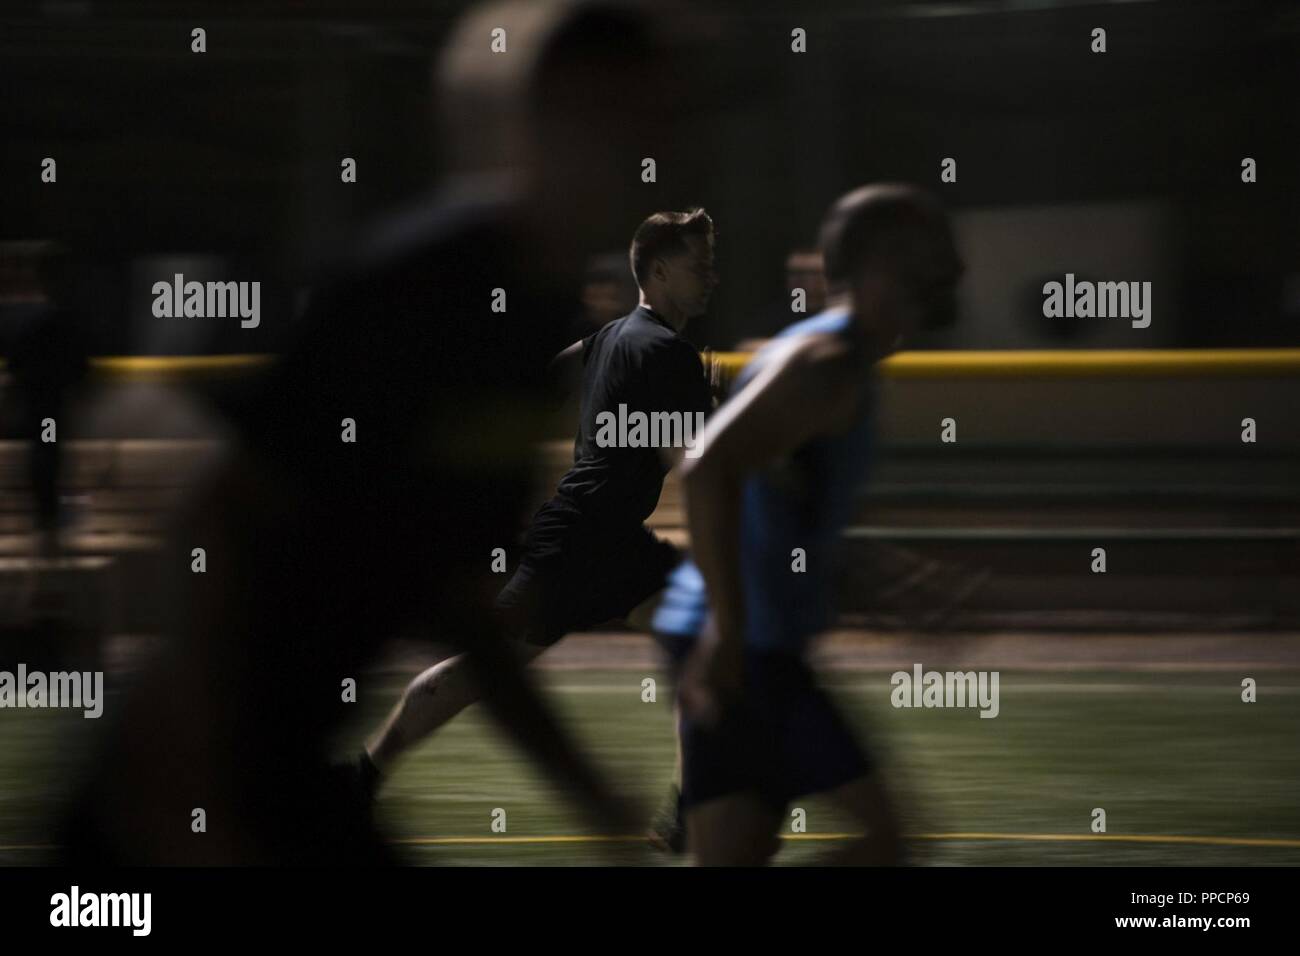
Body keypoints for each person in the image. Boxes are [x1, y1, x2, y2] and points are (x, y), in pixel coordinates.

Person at [59, 0, 675, 865]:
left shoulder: (537, 309)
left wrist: (586, 790)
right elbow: (217, 512)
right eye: (620, 116)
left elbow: (458, 597)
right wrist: (184, 785)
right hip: (183, 786)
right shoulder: (420, 280)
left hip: (278, 771)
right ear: (546, 117)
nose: (645, 146)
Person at [358, 210, 717, 816]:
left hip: (602, 536)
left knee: (697, 637)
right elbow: (694, 461)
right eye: (698, 265)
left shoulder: (613, 336)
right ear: (658, 271)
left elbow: (549, 374)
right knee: (482, 670)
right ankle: (363, 773)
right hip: (581, 541)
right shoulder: (669, 353)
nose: (711, 277)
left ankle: (689, 804)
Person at [652, 183, 964, 865]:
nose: (946, 268)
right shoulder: (827, 363)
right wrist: (728, 633)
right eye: (929, 252)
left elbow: (773, 504)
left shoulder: (841, 360)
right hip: (749, 656)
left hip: (749, 646)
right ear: (884, 263)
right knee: (887, 846)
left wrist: (870, 577)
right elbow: (707, 470)